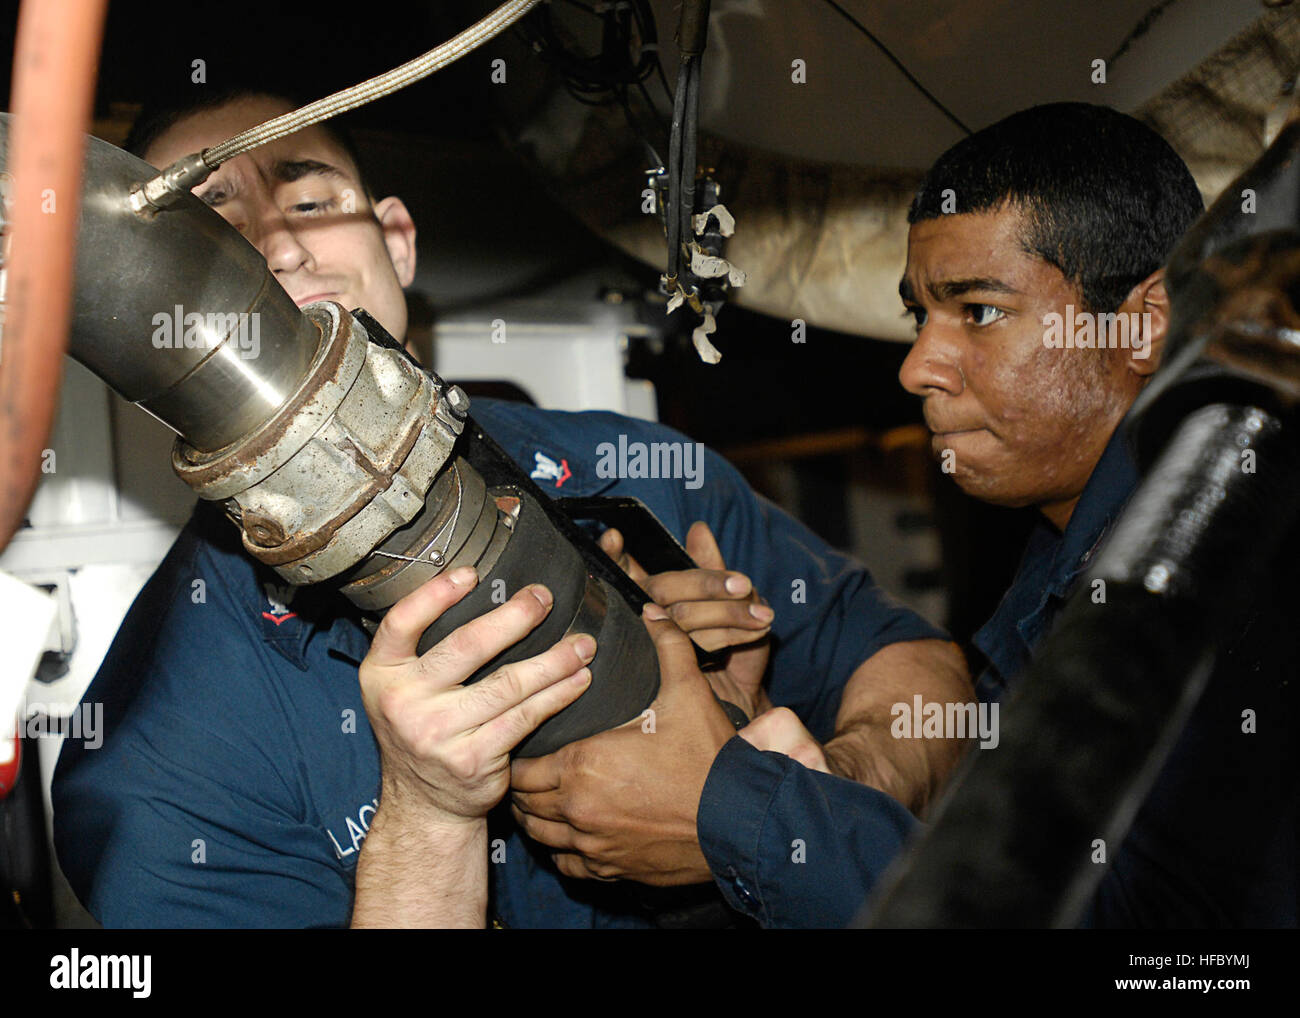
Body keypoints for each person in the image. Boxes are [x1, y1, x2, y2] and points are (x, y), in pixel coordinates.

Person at [52, 90, 971, 928]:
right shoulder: (160, 758)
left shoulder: (638, 468)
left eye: (311, 199)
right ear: (146, 332)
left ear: (397, 240)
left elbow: (921, 666)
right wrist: (427, 814)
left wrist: (789, 786)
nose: (279, 245)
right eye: (214, 224)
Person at [519, 101, 1294, 928]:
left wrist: (733, 815)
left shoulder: (1243, 582)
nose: (920, 366)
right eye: (919, 315)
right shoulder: (1056, 584)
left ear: (1143, 326)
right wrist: (742, 754)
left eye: (981, 311)